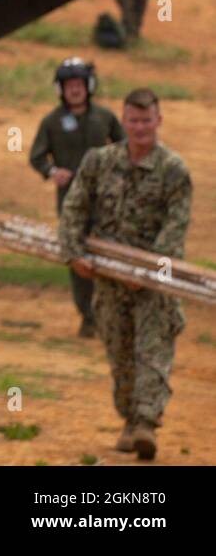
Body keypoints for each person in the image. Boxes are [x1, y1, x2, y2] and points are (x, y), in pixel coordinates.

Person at [59, 88, 191, 461]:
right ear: (124, 121)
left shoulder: (174, 170)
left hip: (154, 284)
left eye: (146, 120)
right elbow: (75, 206)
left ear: (158, 121)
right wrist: (73, 252)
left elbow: (175, 229)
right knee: (120, 355)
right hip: (109, 280)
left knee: (152, 352)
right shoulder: (99, 162)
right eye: (133, 120)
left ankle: (147, 423)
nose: (140, 128)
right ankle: (130, 420)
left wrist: (148, 272)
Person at [29, 58, 124, 337]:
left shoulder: (105, 117)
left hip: (105, 200)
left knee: (110, 251)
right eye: (69, 85)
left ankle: (113, 315)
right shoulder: (52, 121)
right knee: (77, 255)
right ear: (60, 88)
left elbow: (124, 148)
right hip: (70, 201)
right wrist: (52, 171)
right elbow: (36, 156)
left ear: (89, 86)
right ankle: (88, 317)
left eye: (79, 84)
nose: (75, 90)